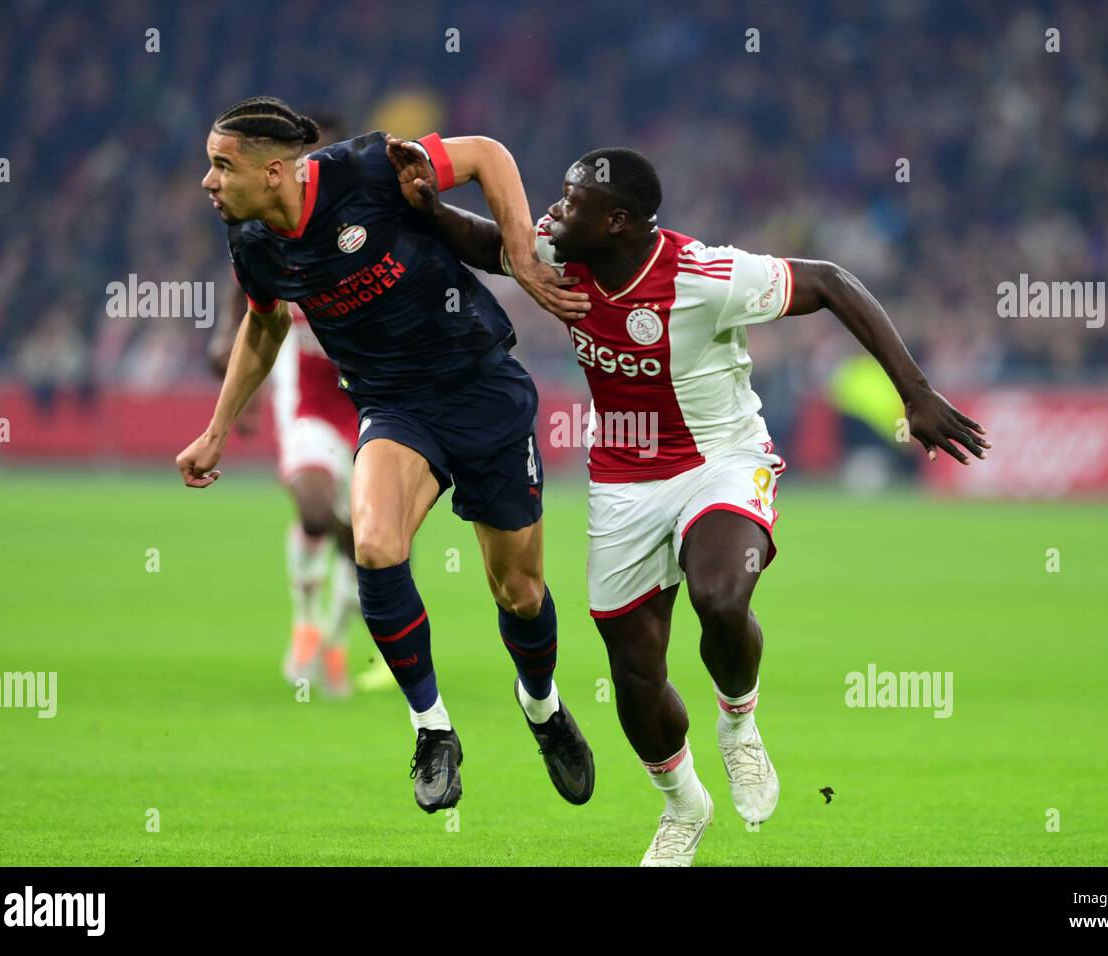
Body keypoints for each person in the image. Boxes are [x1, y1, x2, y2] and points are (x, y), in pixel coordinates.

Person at [387, 143, 989, 862]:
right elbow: (492, 246)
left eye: (572, 201)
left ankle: (738, 723)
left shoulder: (706, 275)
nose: (551, 210)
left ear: (616, 222)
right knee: (635, 677)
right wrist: (429, 207)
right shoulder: (560, 246)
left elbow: (829, 281)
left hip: (721, 461)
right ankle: (684, 805)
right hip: (622, 482)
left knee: (720, 597)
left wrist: (914, 392)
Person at [177, 96, 596, 814]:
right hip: (395, 407)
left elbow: (487, 153)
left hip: (481, 385)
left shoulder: (368, 166)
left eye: (222, 166)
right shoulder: (255, 243)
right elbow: (263, 324)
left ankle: (543, 708)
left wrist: (521, 253)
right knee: (374, 544)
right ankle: (433, 730)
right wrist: (218, 428)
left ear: (274, 170)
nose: (209, 182)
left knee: (518, 591)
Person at [206, 112, 382, 698]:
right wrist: (229, 359)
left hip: (372, 398)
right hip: (306, 394)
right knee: (313, 509)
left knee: (373, 540)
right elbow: (249, 290)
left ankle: (333, 640)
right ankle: (306, 627)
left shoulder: (367, 213)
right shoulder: (269, 228)